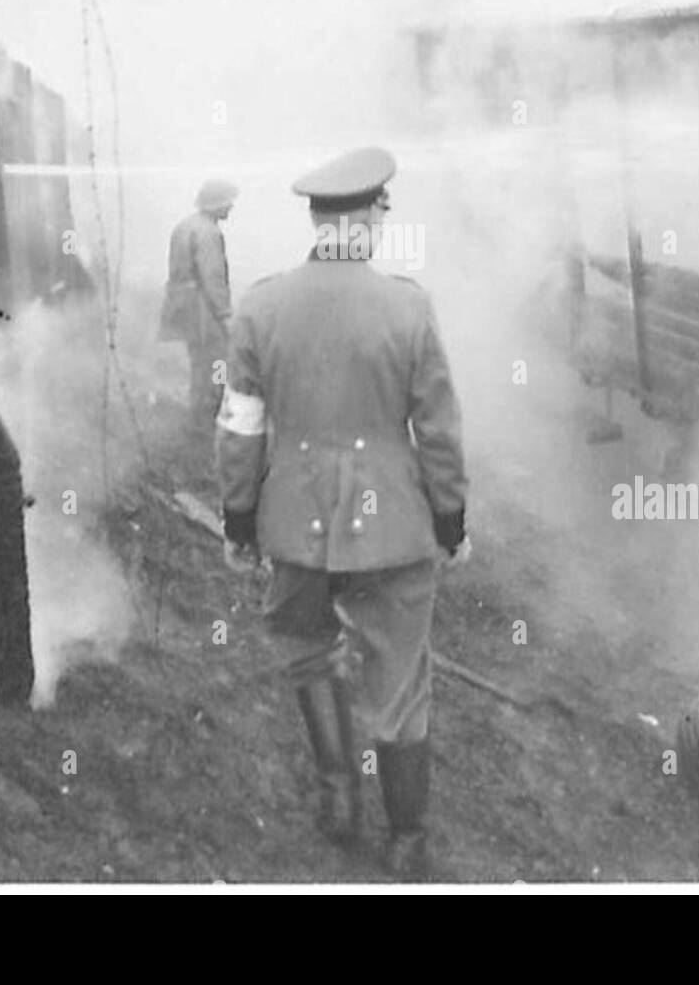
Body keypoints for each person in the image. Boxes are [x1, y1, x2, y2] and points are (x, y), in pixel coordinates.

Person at [215, 146, 469, 880]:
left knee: (304, 646)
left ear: (321, 222)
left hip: (293, 523)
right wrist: (449, 522)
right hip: (393, 527)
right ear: (364, 220)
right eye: (382, 212)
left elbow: (240, 427)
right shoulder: (408, 306)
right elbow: (440, 430)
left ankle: (337, 797)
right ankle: (407, 838)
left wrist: (239, 518)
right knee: (397, 679)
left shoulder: (260, 307)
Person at [160, 179, 237, 436]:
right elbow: (212, 276)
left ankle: (197, 417)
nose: (231, 207)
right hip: (202, 309)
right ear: (216, 204)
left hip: (183, 305)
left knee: (199, 363)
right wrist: (225, 315)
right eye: (227, 201)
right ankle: (208, 416)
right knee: (217, 362)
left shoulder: (185, 226)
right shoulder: (209, 232)